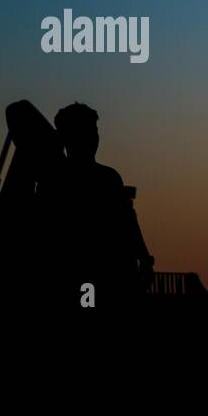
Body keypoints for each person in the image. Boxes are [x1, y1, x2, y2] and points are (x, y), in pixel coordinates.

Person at [48, 102, 154, 308]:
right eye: (88, 131)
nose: (94, 137)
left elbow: (128, 222)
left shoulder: (107, 177)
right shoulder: (61, 180)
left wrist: (144, 260)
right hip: (101, 281)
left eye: (95, 131)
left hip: (114, 280)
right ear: (69, 137)